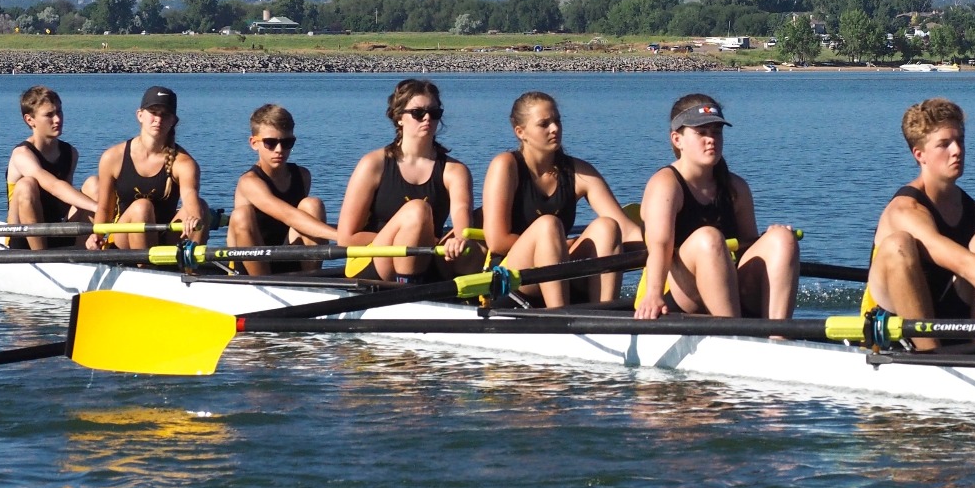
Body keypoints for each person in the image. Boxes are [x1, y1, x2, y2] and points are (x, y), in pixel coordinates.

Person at [864, 98, 975, 351]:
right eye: (944, 144)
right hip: (895, 323)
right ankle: (930, 356)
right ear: (920, 154)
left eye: (960, 140)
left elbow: (973, 270)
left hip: (947, 310)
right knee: (898, 244)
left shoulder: (974, 211)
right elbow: (963, 263)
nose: (957, 150)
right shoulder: (905, 210)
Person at [634, 93, 799, 320]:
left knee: (782, 238)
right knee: (708, 238)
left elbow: (746, 249)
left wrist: (769, 241)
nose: (711, 139)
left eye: (717, 132)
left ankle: (779, 337)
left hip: (730, 285)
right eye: (701, 133)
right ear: (677, 139)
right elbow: (659, 248)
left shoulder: (736, 187)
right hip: (680, 293)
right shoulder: (665, 184)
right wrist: (653, 294)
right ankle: (734, 335)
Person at [481, 91, 640, 307]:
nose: (554, 128)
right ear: (521, 132)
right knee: (548, 225)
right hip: (514, 279)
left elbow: (627, 229)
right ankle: (560, 315)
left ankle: (606, 314)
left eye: (557, 121)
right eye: (544, 124)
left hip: (558, 267)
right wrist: (557, 246)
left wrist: (669, 246)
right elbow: (497, 240)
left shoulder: (579, 171)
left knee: (608, 227)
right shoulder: (506, 166)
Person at [336, 79, 480, 283]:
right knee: (417, 210)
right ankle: (407, 289)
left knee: (483, 221)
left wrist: (460, 238)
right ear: (399, 118)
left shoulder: (455, 171)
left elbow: (461, 213)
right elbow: (346, 238)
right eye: (418, 113)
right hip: (373, 261)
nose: (427, 118)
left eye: (434, 112)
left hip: (426, 256)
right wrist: (410, 236)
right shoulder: (373, 164)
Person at [86, 86, 209, 250]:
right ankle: (144, 265)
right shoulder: (112, 157)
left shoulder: (184, 163)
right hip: (124, 237)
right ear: (140, 115)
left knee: (201, 206)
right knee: (142, 206)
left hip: (165, 235)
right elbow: (104, 207)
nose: (158, 119)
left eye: (165, 115)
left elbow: (190, 195)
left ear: (173, 121)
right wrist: (97, 235)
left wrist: (195, 215)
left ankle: (190, 268)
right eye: (153, 112)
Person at [227, 103, 336, 276]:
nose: (279, 150)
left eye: (287, 142)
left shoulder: (302, 175)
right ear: (253, 143)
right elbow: (288, 216)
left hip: (287, 256)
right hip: (251, 265)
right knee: (242, 216)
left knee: (312, 205)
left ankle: (312, 279)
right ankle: (261, 283)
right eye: (270, 143)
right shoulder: (249, 182)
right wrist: (342, 237)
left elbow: (300, 222)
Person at [5, 85, 98, 250]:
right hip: (22, 237)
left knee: (94, 184)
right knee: (27, 185)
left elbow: (63, 203)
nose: (58, 120)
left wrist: (106, 207)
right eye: (49, 115)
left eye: (59, 112)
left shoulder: (70, 153)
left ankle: (83, 255)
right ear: (30, 120)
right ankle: (41, 257)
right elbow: (54, 186)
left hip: (56, 228)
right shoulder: (22, 154)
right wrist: (98, 207)